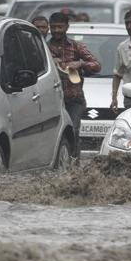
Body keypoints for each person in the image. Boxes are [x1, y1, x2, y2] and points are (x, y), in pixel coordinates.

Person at [48, 11, 101, 154]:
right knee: (52, 135)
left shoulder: (76, 46)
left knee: (73, 131)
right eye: (53, 27)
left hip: (74, 99)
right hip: (52, 99)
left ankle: (74, 165)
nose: (57, 31)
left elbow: (97, 65)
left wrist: (81, 64)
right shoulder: (44, 48)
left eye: (60, 27)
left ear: (67, 27)